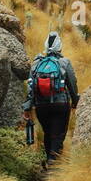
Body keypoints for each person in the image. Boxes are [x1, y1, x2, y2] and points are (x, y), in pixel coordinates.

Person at [22, 32, 80, 167]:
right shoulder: (64, 63)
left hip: (41, 106)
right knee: (58, 133)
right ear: (60, 47)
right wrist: (75, 102)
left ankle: (49, 159)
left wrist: (27, 108)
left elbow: (30, 87)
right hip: (61, 104)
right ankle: (53, 162)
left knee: (48, 132)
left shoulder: (36, 63)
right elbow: (72, 83)